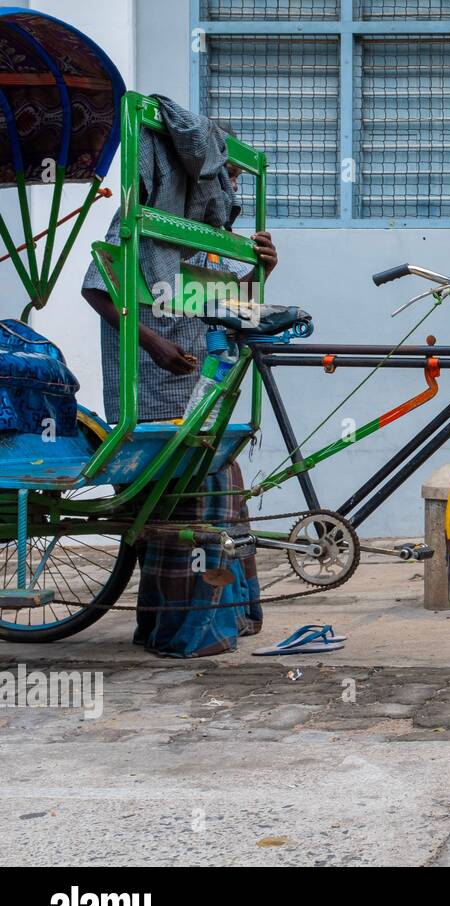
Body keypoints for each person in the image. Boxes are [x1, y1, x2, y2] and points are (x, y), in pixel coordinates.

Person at [81, 108, 274, 657]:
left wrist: (262, 271)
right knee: (180, 506)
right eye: (224, 178)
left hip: (197, 399)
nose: (231, 190)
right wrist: (154, 343)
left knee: (223, 490)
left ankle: (226, 620)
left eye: (235, 180)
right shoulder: (140, 220)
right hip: (149, 392)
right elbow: (98, 290)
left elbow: (235, 308)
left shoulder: (208, 235)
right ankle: (183, 630)